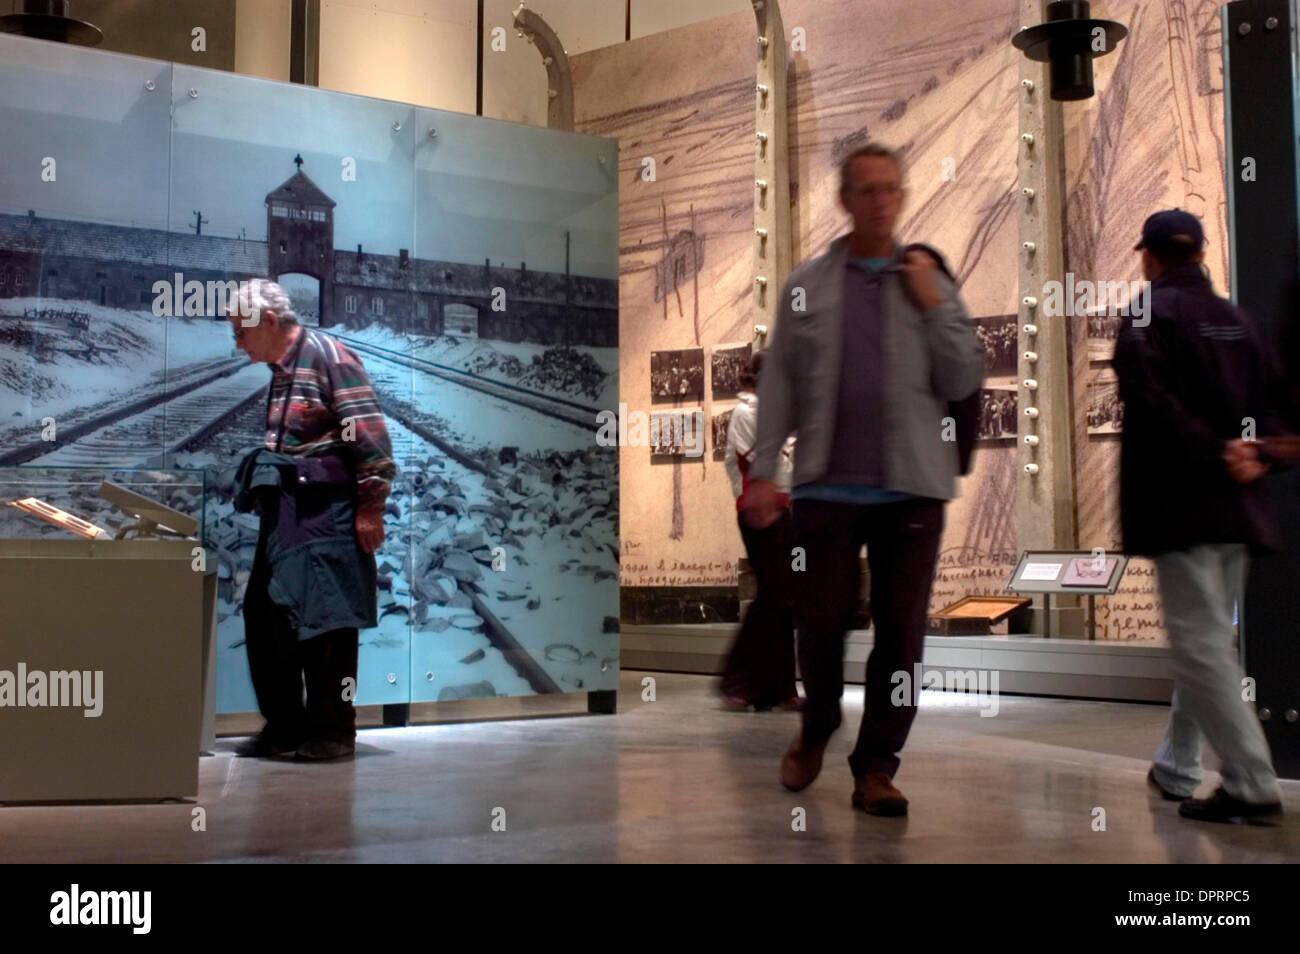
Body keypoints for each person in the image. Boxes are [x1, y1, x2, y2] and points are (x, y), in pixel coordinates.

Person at [745, 142, 984, 815]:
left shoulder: (931, 279)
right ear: (845, 201)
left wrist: (934, 303)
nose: (880, 202)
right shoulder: (806, 287)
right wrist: (764, 473)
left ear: (903, 197)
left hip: (913, 490)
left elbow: (965, 375)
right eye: (867, 191)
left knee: (901, 637)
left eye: (891, 190)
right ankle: (818, 722)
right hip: (825, 488)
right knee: (818, 626)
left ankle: (877, 765)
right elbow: (780, 383)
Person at [1113, 209, 1286, 824]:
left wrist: (1215, 450)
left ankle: (1252, 784)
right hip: (1236, 509)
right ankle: (1177, 766)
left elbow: (1149, 401)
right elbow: (1279, 407)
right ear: (1200, 254)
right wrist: (1256, 452)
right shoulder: (1238, 320)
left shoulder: (1145, 314)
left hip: (1180, 504)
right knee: (1207, 640)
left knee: (1198, 646)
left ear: (1150, 256)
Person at [226, 278, 396, 761]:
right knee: (266, 614)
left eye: (241, 331)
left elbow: (371, 438)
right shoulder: (280, 367)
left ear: (271, 323)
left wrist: (370, 507)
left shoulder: (329, 357)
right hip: (288, 507)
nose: (236, 341)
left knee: (328, 622)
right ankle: (284, 727)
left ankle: (333, 732)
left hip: (328, 510)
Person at [720, 350, 798, 711]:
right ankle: (738, 680)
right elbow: (777, 464)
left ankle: (778, 688)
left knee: (782, 599)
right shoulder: (746, 414)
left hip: (783, 511)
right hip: (759, 512)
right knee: (774, 597)